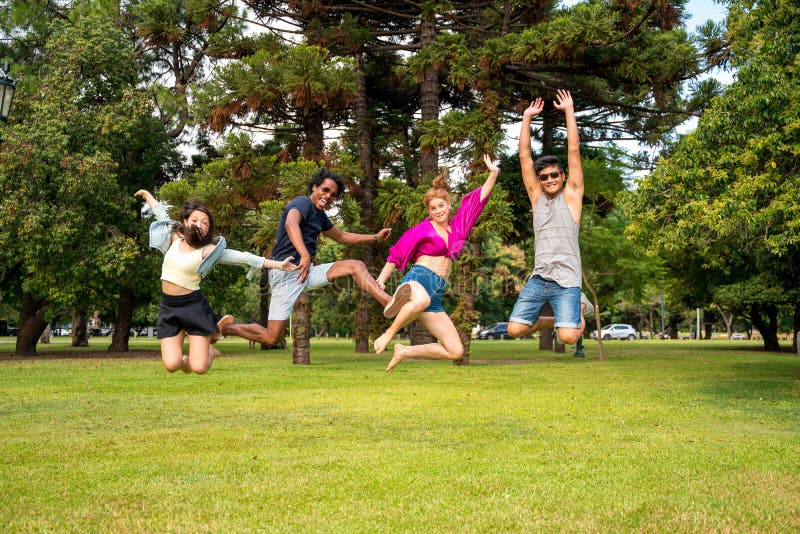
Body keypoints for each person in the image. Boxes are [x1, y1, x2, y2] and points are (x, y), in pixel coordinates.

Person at [219, 168, 396, 346]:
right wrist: (304, 254)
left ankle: (388, 302)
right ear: (314, 187)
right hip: (286, 272)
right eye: (325, 190)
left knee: (356, 265)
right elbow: (290, 223)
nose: (328, 196)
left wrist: (374, 237)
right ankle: (226, 328)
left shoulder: (320, 216)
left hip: (306, 272)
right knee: (272, 338)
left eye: (333, 194)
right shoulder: (302, 203)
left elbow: (340, 236)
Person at [135, 189, 297, 374]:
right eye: (195, 220)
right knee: (172, 365)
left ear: (208, 229)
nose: (200, 224)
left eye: (205, 222)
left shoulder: (210, 251)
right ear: (186, 222)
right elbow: (161, 215)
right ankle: (199, 350)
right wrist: (148, 196)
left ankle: (209, 353)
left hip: (193, 307)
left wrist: (278, 265)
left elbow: (244, 257)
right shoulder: (174, 237)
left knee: (199, 368)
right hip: (168, 306)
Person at [373, 154, 499, 371]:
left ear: (449, 205)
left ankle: (403, 350)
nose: (438, 210)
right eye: (433, 208)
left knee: (455, 351)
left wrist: (493, 173)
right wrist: (381, 280)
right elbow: (395, 255)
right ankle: (388, 334)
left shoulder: (459, 227)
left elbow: (478, 201)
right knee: (419, 301)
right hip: (419, 278)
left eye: (442, 206)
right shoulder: (422, 229)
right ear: (429, 211)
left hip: (437, 292)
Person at [507, 89, 593, 345]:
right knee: (513, 330)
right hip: (540, 277)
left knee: (569, 337)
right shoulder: (537, 198)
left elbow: (574, 152)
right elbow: (524, 158)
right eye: (543, 177)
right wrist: (526, 118)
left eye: (554, 175)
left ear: (563, 176)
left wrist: (568, 111)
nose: (549, 180)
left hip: (567, 281)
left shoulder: (572, 197)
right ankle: (560, 319)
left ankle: (577, 309)